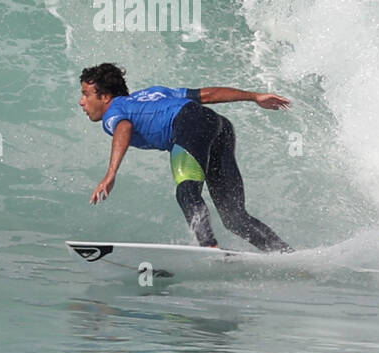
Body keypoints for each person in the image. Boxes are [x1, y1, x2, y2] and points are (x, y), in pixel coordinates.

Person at [78, 62, 292, 252]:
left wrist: (111, 174)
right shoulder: (155, 93)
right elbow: (206, 96)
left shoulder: (113, 112)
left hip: (189, 125)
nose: (82, 102)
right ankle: (284, 254)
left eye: (86, 94)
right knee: (234, 217)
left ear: (105, 97)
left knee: (186, 191)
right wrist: (254, 97)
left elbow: (124, 127)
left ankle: (209, 248)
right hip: (218, 125)